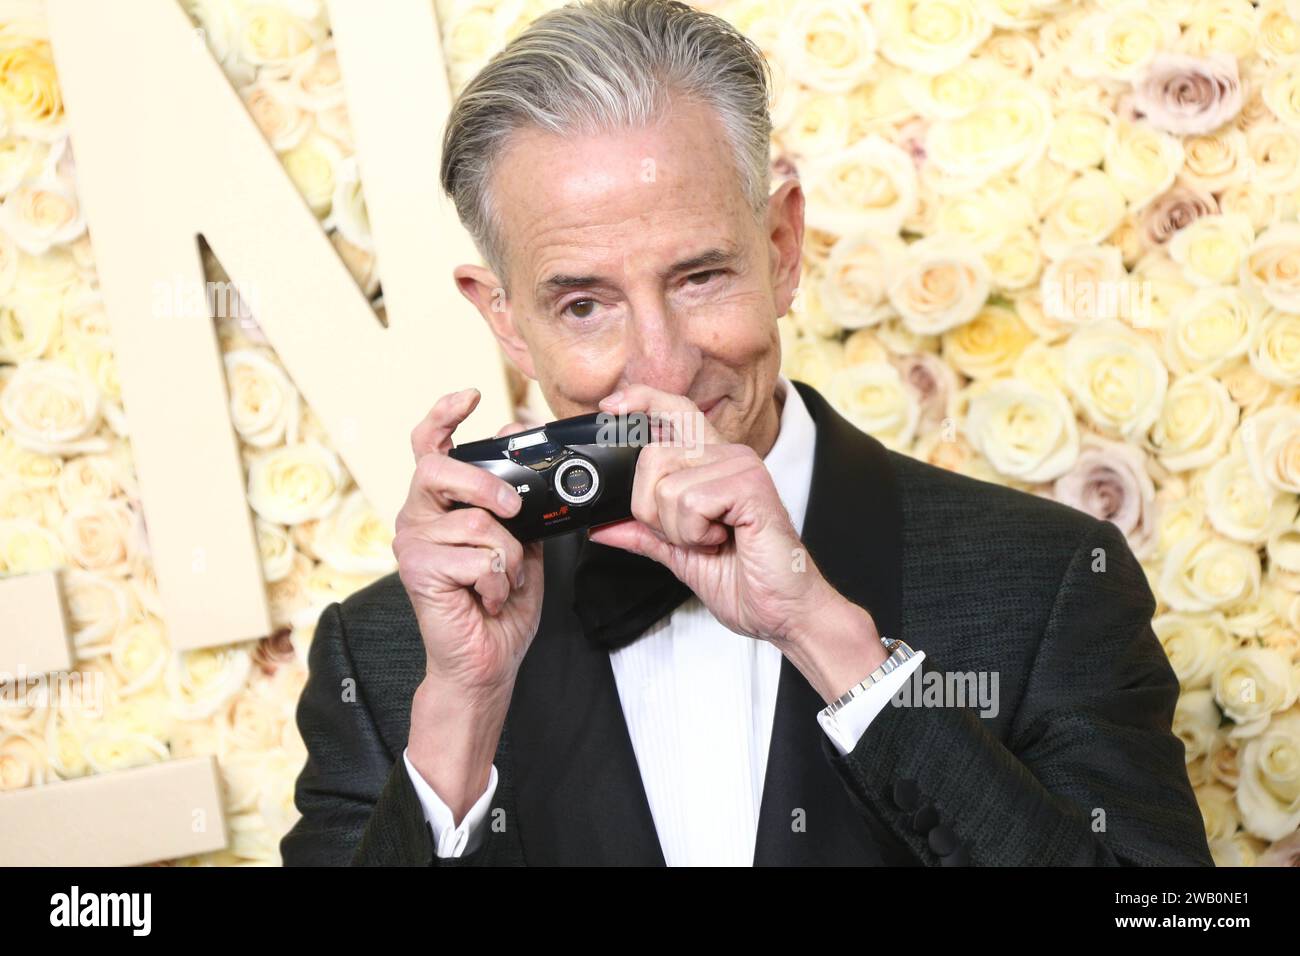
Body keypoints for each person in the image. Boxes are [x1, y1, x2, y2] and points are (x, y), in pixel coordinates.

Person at [280, 0, 1213, 866]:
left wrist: (828, 641)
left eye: (699, 277)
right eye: (583, 303)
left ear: (781, 249)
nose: (663, 363)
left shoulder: (1048, 582)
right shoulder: (389, 655)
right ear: (507, 321)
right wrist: (461, 719)